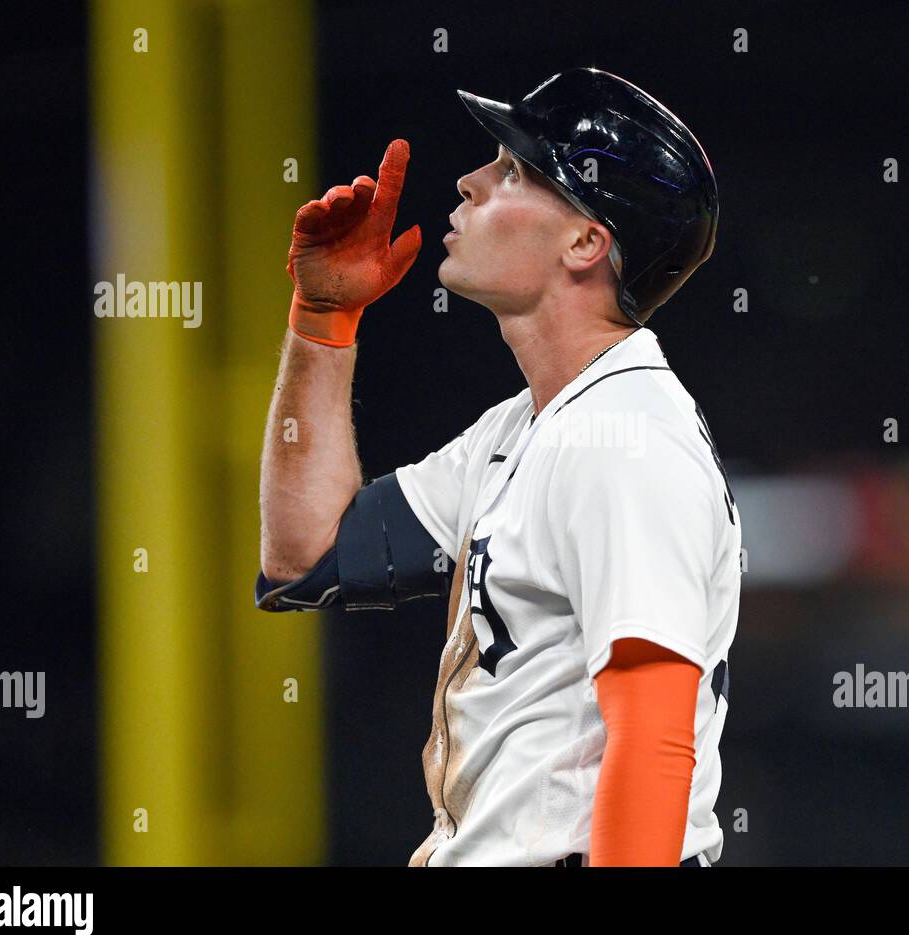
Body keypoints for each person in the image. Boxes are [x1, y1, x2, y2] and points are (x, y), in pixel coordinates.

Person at [256, 68, 739, 867]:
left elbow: (652, 738)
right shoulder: (531, 426)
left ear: (587, 242)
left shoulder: (627, 440)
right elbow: (307, 554)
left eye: (515, 171)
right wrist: (322, 321)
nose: (471, 180)